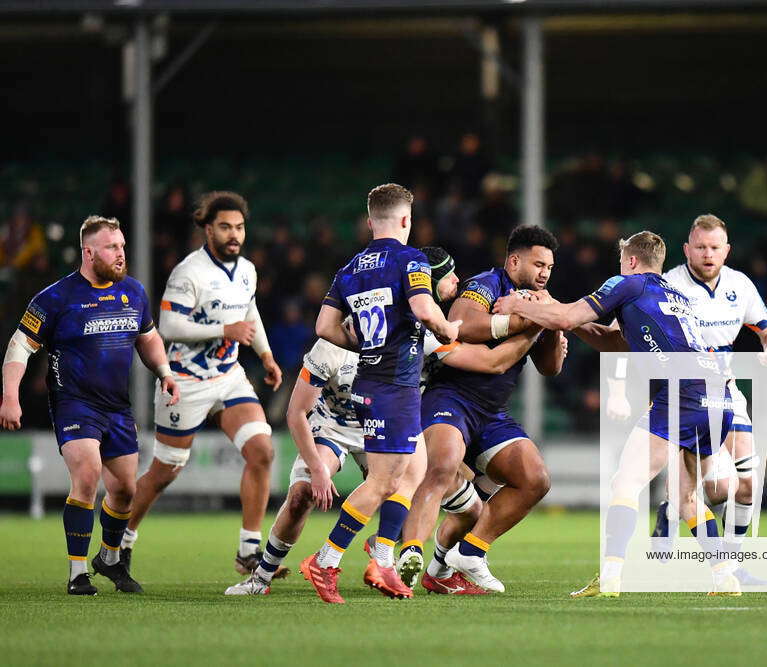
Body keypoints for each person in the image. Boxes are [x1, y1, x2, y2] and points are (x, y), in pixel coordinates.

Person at [223, 247, 540, 596]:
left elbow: (485, 359)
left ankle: (393, 559)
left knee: (463, 506)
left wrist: (524, 322)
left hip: (385, 418)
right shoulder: (335, 346)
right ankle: (271, 575)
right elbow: (296, 411)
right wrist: (316, 468)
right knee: (306, 494)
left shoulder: (418, 332)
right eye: (448, 275)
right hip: (337, 427)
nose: (457, 281)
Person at [492, 231, 738, 597]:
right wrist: (557, 310)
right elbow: (613, 342)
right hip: (719, 397)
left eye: (622, 261)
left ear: (632, 261)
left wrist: (519, 305)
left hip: (682, 394)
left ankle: (610, 577)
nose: (620, 267)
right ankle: (725, 577)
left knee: (625, 483)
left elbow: (566, 318)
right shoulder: (676, 295)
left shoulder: (627, 284)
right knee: (684, 496)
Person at [0, 216, 179, 595]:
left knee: (125, 490)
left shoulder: (133, 291)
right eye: (112, 247)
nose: (121, 253)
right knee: (87, 475)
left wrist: (164, 371)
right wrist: (10, 396)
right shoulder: (55, 298)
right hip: (74, 404)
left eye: (122, 246)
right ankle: (77, 573)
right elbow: (19, 346)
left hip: (117, 408)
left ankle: (109, 558)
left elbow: (147, 337)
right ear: (89, 252)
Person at [302, 184, 460, 605]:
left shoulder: (350, 268)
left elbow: (323, 327)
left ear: (371, 222)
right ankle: (325, 560)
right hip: (395, 385)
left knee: (412, 470)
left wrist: (363, 345)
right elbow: (425, 310)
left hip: (372, 381)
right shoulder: (412, 260)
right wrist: (448, 330)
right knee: (384, 481)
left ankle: (384, 560)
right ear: (407, 219)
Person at [122, 191, 283, 577]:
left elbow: (249, 311)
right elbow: (169, 326)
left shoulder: (247, 270)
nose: (234, 234)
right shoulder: (188, 272)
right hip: (185, 381)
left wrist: (265, 355)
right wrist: (224, 330)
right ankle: (120, 541)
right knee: (164, 471)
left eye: (239, 227)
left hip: (228, 377)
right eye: (225, 227)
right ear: (208, 229)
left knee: (262, 451)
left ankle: (248, 552)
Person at [401, 225, 565, 594]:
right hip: (450, 398)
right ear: (514, 261)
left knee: (535, 479)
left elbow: (550, 367)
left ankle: (467, 555)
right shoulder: (487, 284)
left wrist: (550, 323)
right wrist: (528, 319)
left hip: (492, 413)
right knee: (443, 465)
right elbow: (463, 326)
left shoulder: (538, 302)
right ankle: (407, 555)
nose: (544, 273)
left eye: (550, 268)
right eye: (538, 265)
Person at [650, 214, 767, 586]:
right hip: (684, 394)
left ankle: (733, 563)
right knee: (715, 489)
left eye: (714, 247)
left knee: (747, 485)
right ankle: (673, 508)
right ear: (686, 250)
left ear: (726, 250)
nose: (707, 254)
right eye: (700, 247)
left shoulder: (740, 285)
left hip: (726, 391)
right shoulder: (669, 285)